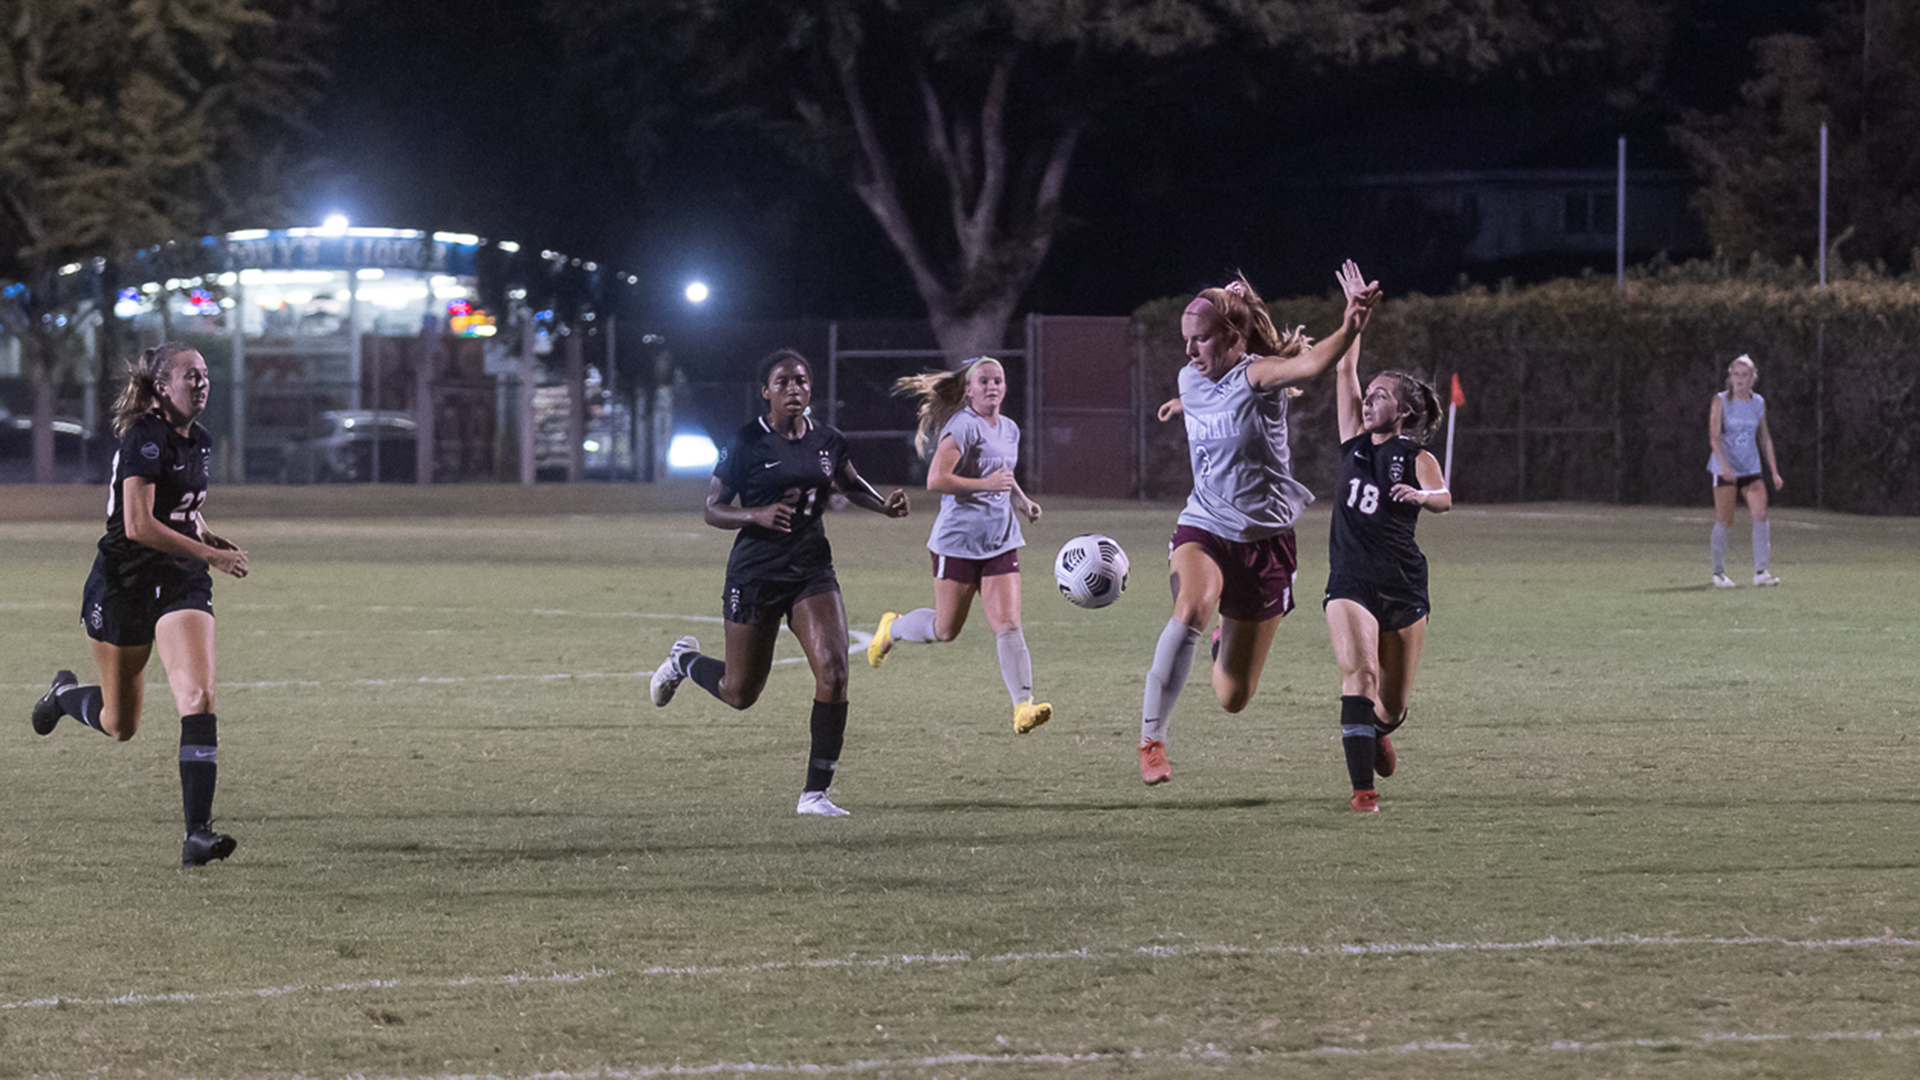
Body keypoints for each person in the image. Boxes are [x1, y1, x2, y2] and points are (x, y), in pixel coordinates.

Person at [1136, 261, 1378, 786]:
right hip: (1204, 527)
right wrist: (1185, 403)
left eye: (1199, 341)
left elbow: (1312, 364)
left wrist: (1351, 324)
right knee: (1191, 605)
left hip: (1266, 545)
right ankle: (1151, 740)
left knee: (1233, 697)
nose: (1188, 352)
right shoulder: (1191, 377)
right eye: (1186, 340)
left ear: (1232, 337)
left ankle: (1227, 638)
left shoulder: (1259, 375)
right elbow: (1207, 396)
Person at [647, 348, 911, 817]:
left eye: (803, 381)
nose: (795, 389)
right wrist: (757, 514)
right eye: (784, 381)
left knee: (833, 670)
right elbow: (712, 508)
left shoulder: (828, 439)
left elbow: (848, 483)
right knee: (740, 692)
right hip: (754, 574)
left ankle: (815, 794)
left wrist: (883, 505)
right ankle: (684, 660)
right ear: (765, 391)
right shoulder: (746, 441)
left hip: (811, 569)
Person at [29, 342, 250, 866]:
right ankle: (63, 697)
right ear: (160, 387)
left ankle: (198, 835)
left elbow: (183, 512)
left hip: (179, 581)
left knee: (197, 695)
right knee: (119, 723)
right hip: (124, 582)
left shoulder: (198, 440)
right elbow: (138, 525)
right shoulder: (142, 439)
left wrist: (208, 541)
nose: (200, 383)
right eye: (188, 375)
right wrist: (208, 554)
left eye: (203, 375)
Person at [866, 357, 1050, 734]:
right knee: (945, 630)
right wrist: (986, 486)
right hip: (958, 543)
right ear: (968, 389)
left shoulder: (1010, 429)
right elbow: (936, 479)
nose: (992, 386)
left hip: (1000, 540)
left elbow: (1003, 473)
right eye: (983, 381)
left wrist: (1021, 500)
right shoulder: (962, 426)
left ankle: (1022, 708)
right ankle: (893, 628)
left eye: (998, 380)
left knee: (1010, 624)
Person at [1323, 340, 1450, 813]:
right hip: (1350, 581)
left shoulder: (1416, 457)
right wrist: (1355, 319)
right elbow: (1344, 370)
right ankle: (1363, 793)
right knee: (1360, 674)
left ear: (1404, 411)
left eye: (1379, 395)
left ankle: (1376, 731)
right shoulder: (1353, 441)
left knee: (1392, 706)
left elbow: (1444, 496)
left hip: (1402, 585)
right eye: (1368, 393)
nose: (1367, 399)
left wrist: (1420, 498)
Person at [1707, 354, 1784, 587]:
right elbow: (1714, 436)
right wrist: (1725, 465)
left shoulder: (1758, 403)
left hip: (1750, 467)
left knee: (1760, 515)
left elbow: (1764, 437)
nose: (1740, 379)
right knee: (1724, 520)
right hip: (1725, 469)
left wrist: (1774, 471)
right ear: (1730, 377)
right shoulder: (1720, 401)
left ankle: (1761, 572)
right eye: (1736, 374)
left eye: (1745, 375)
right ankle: (1718, 572)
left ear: (1753, 378)